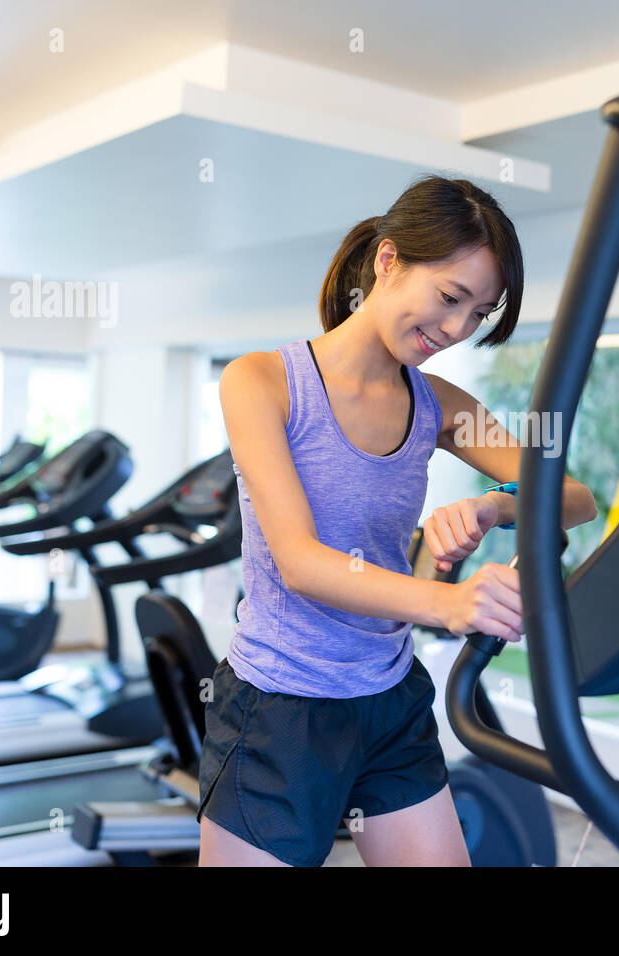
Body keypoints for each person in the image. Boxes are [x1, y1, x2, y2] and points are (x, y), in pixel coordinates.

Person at [198, 175, 598, 866]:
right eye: (450, 298)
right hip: (279, 707)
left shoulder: (438, 402)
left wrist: (494, 504)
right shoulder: (261, 381)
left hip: (388, 697)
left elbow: (574, 497)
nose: (455, 329)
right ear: (388, 261)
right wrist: (451, 603)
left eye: (477, 314)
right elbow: (300, 561)